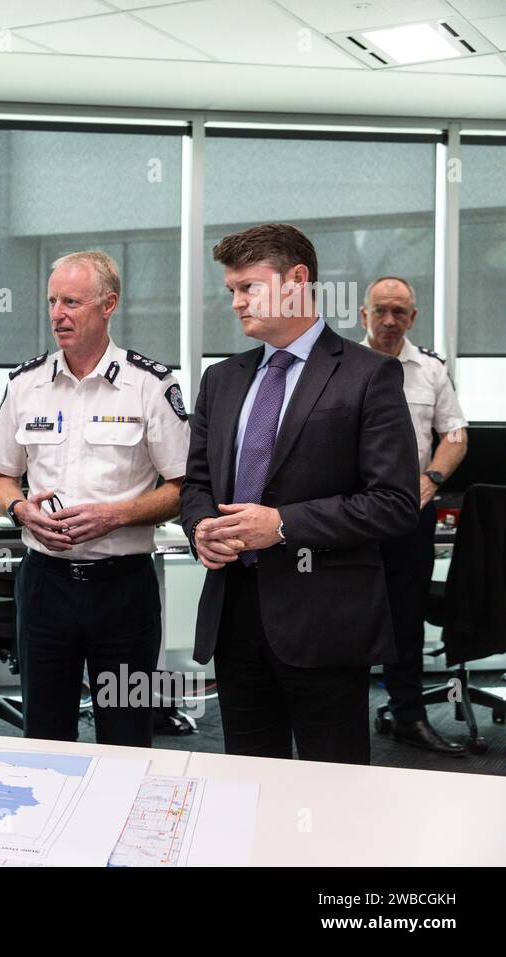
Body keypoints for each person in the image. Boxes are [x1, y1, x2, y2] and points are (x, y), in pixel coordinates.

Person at [181, 223, 418, 765]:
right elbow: (195, 483)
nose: (236, 303)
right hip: (234, 616)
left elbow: (394, 502)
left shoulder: (368, 375)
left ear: (297, 280)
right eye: (231, 291)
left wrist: (282, 525)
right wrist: (201, 530)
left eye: (248, 287)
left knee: (332, 788)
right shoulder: (221, 380)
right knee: (249, 779)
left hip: (325, 620)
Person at [0, 251, 190, 746]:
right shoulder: (26, 383)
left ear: (108, 305)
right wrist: (18, 509)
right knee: (45, 734)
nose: (57, 313)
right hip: (44, 585)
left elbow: (183, 489)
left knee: (125, 735)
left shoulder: (151, 385)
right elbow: (0, 478)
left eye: (71, 301)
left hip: (122, 590)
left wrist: (117, 515)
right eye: (52, 301)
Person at [360, 276, 468, 755]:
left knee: (405, 616)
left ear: (412, 317)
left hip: (410, 511)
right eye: (380, 310)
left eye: (399, 312)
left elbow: (456, 434)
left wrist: (432, 480)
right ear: (363, 315)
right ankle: (332, 716)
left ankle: (408, 715)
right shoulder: (339, 366)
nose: (389, 320)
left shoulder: (430, 369)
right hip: (351, 515)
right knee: (343, 613)